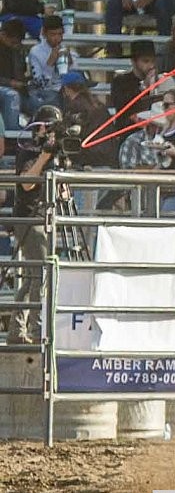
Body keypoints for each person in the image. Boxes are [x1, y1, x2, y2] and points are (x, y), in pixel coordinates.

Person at [5, 104, 65, 342]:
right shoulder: (29, 150)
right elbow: (27, 184)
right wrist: (44, 156)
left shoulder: (53, 153)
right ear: (40, 127)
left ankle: (19, 328)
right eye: (50, 128)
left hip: (46, 217)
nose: (52, 133)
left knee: (35, 274)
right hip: (28, 217)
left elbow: (58, 189)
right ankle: (34, 328)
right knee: (38, 273)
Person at [109, 39, 160, 129]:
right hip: (129, 129)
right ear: (133, 62)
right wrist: (144, 87)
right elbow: (122, 106)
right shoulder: (120, 81)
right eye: (146, 61)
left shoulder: (160, 80)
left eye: (153, 61)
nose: (151, 66)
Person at [24, 12, 70, 109]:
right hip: (44, 91)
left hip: (64, 89)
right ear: (44, 33)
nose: (57, 38)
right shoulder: (35, 52)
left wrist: (70, 63)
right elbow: (39, 84)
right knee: (51, 98)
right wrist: (50, 63)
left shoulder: (64, 49)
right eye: (53, 34)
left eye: (60, 34)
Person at [0, 16, 21, 132]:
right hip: (6, 88)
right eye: (12, 42)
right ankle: (12, 134)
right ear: (3, 35)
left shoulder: (15, 50)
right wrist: (10, 82)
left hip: (13, 86)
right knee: (12, 95)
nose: (14, 45)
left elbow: (19, 72)